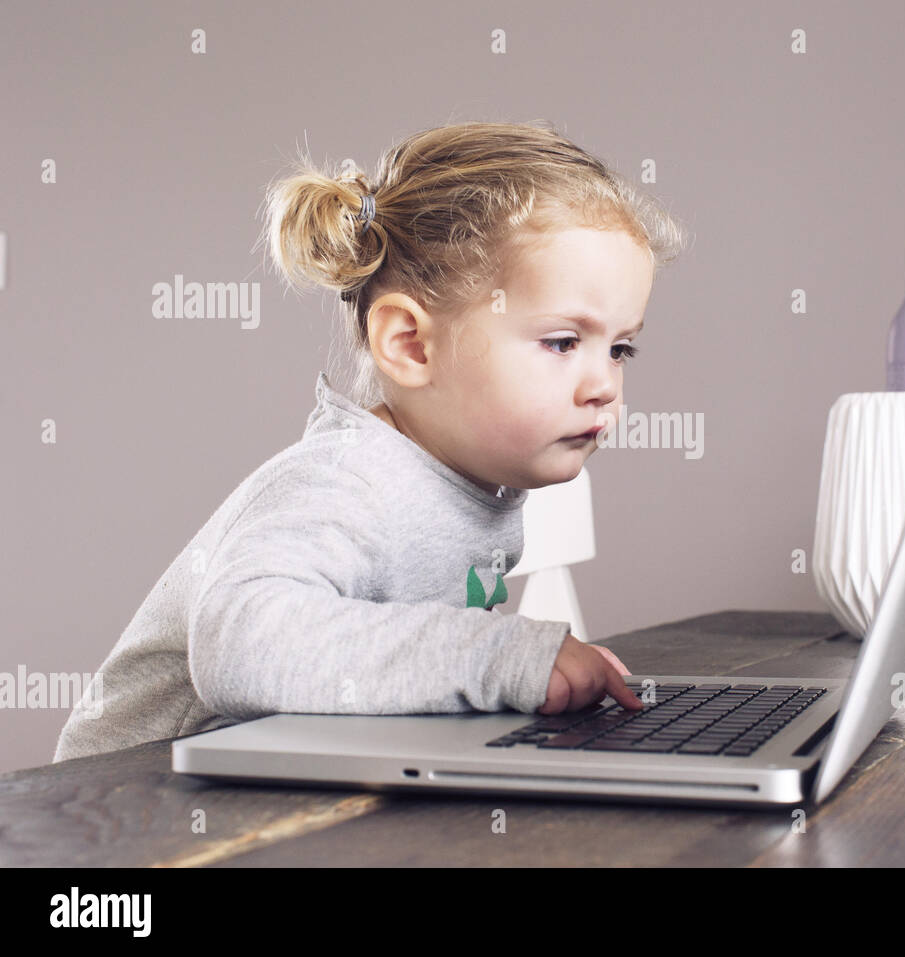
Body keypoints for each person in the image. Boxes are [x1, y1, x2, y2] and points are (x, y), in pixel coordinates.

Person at [53, 121, 688, 762]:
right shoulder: (347, 482)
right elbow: (239, 644)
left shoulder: (476, 486)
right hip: (136, 814)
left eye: (620, 348)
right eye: (562, 343)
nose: (604, 385)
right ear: (410, 344)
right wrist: (502, 655)